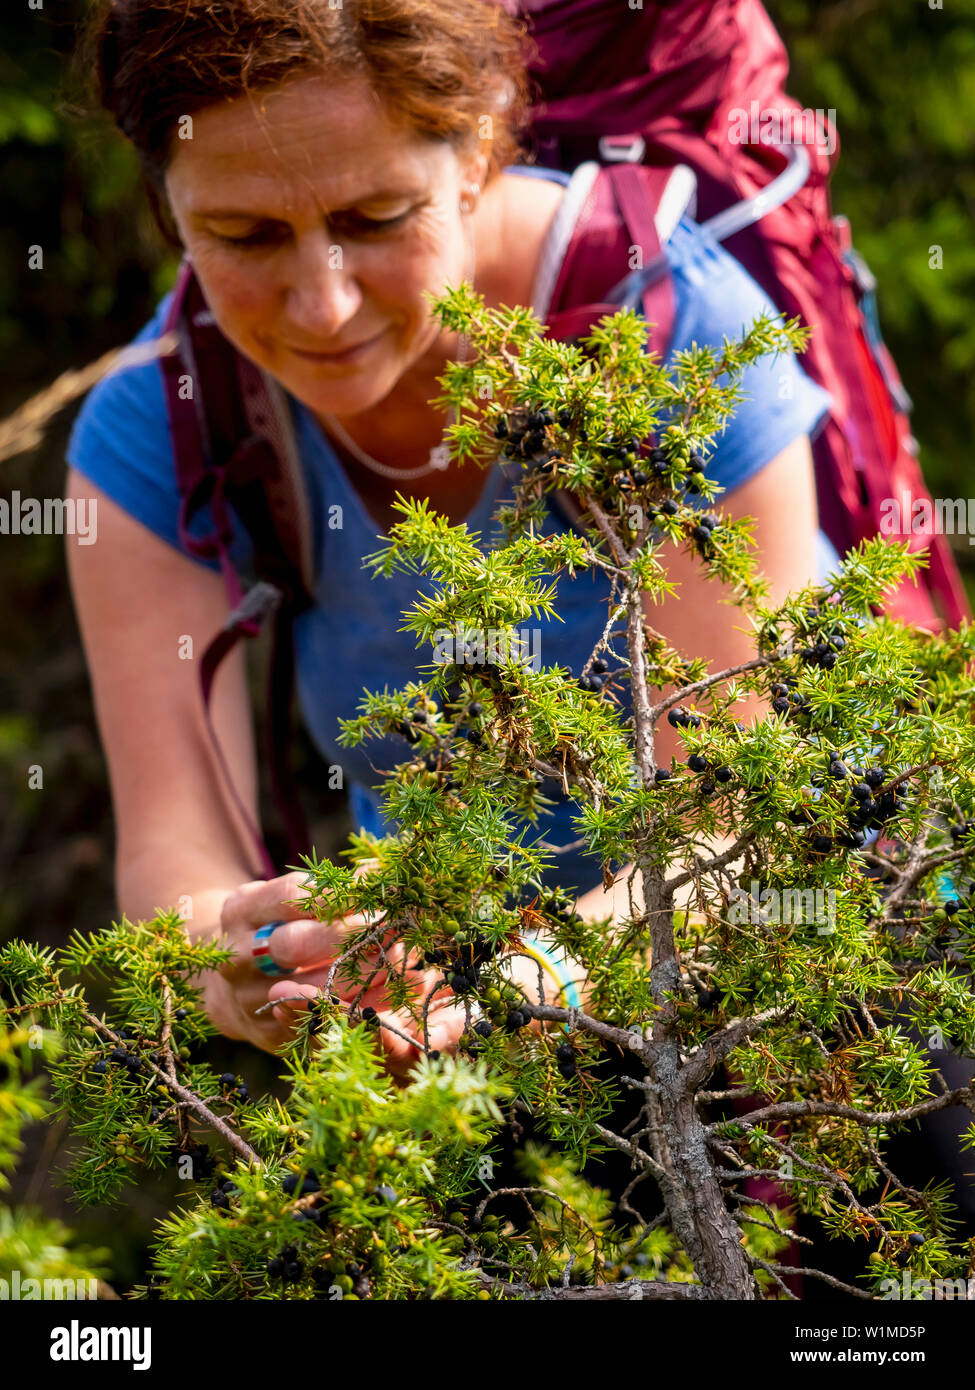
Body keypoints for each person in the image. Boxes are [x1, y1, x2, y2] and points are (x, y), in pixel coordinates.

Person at [65, 0, 836, 1068]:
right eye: (244, 236)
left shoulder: (671, 333)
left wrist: (520, 981)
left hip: (824, 981)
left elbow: (748, 819)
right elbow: (171, 850)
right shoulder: (161, 423)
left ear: (477, 150)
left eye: (377, 217)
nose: (322, 305)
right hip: (454, 1033)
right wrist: (246, 955)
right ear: (166, 205)